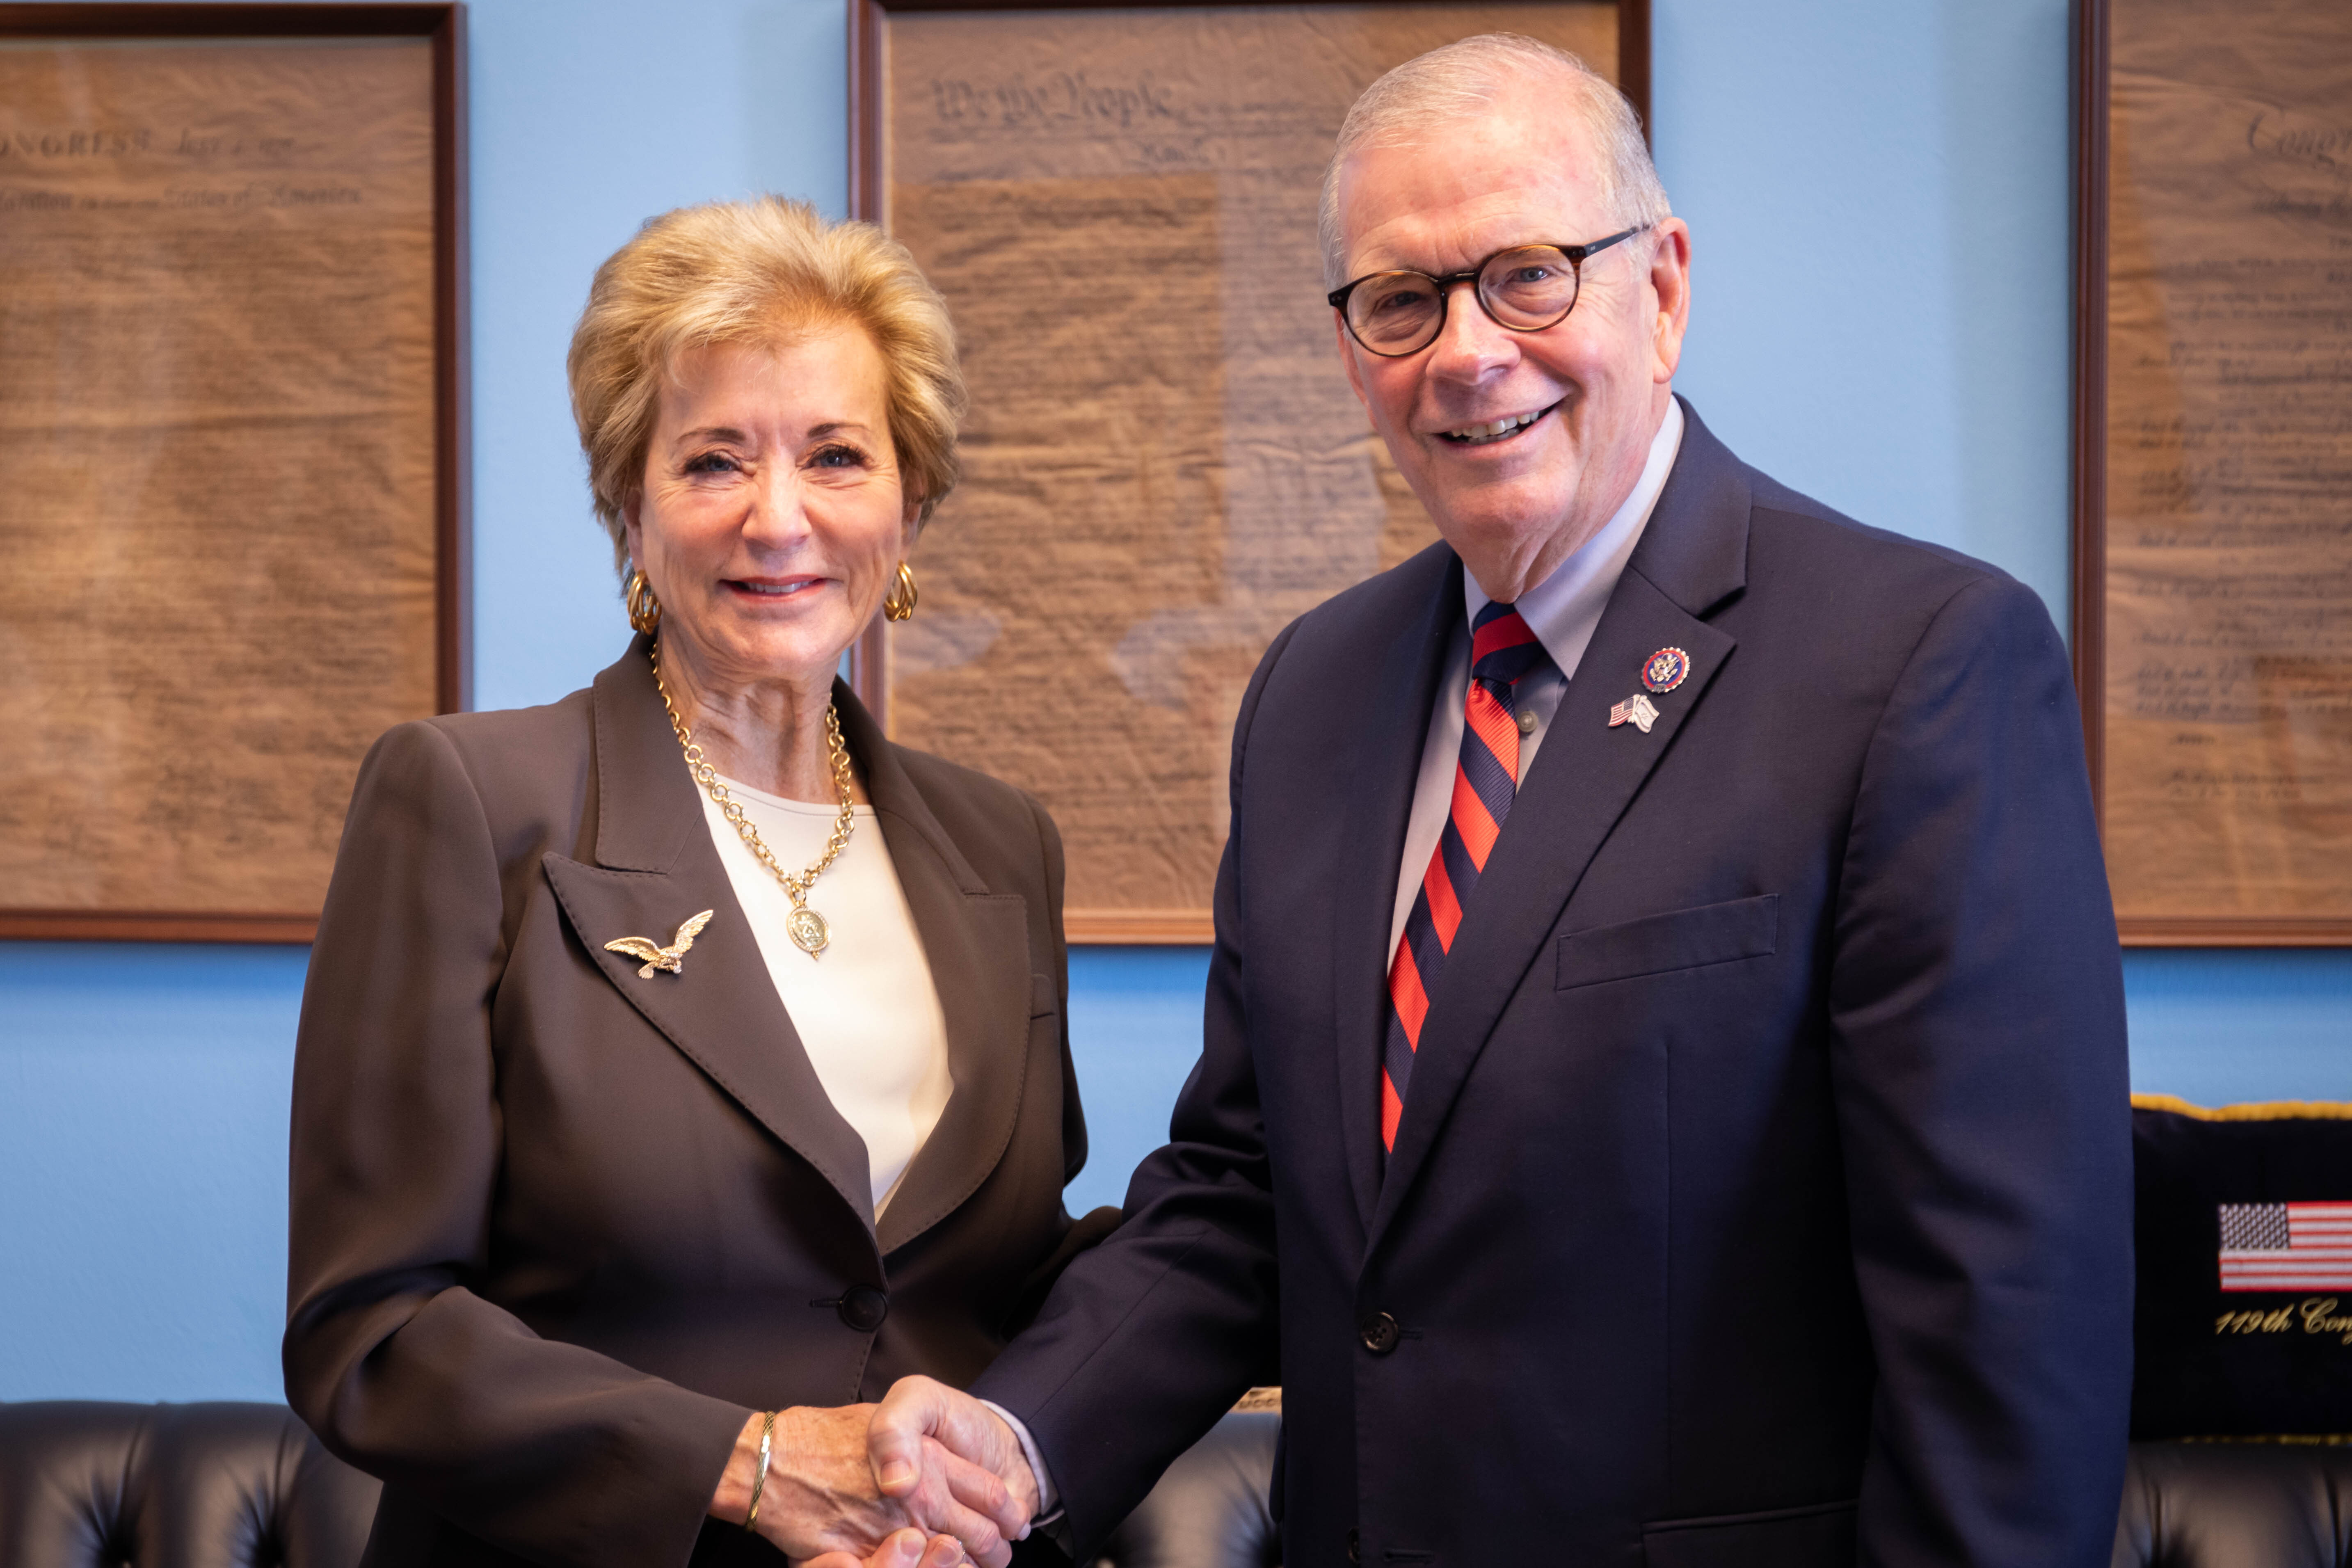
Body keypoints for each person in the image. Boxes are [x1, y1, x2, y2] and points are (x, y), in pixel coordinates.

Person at [855, 34, 2135, 1568]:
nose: (1465, 351)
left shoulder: (1917, 664)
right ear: (1349, 353)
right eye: (1401, 299)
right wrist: (1014, 1443)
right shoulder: (1312, 694)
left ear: (1660, 289)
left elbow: (2004, 1317)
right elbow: (1246, 1194)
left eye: (1529, 272)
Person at [283, 197, 1100, 1568]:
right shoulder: (472, 802)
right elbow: (370, 1330)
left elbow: (1010, 1280)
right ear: (630, 504)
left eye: (836, 456)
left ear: (909, 502)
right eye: (713, 460)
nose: (777, 518)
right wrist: (757, 1467)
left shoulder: (1001, 843)